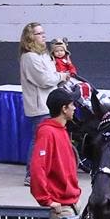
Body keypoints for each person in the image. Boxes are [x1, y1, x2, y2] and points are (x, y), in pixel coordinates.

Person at [19, 22, 70, 186]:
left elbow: (52, 73)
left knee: (47, 141)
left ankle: (45, 173)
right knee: (39, 141)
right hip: (39, 106)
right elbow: (45, 80)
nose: (43, 36)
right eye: (39, 33)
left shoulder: (44, 55)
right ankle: (30, 175)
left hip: (48, 104)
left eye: (43, 32)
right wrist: (61, 77)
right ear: (30, 37)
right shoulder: (29, 58)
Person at [29, 88, 81, 219]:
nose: (74, 108)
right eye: (72, 104)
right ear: (64, 108)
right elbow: (37, 168)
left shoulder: (61, 130)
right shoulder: (47, 132)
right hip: (61, 209)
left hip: (72, 205)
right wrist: (47, 201)